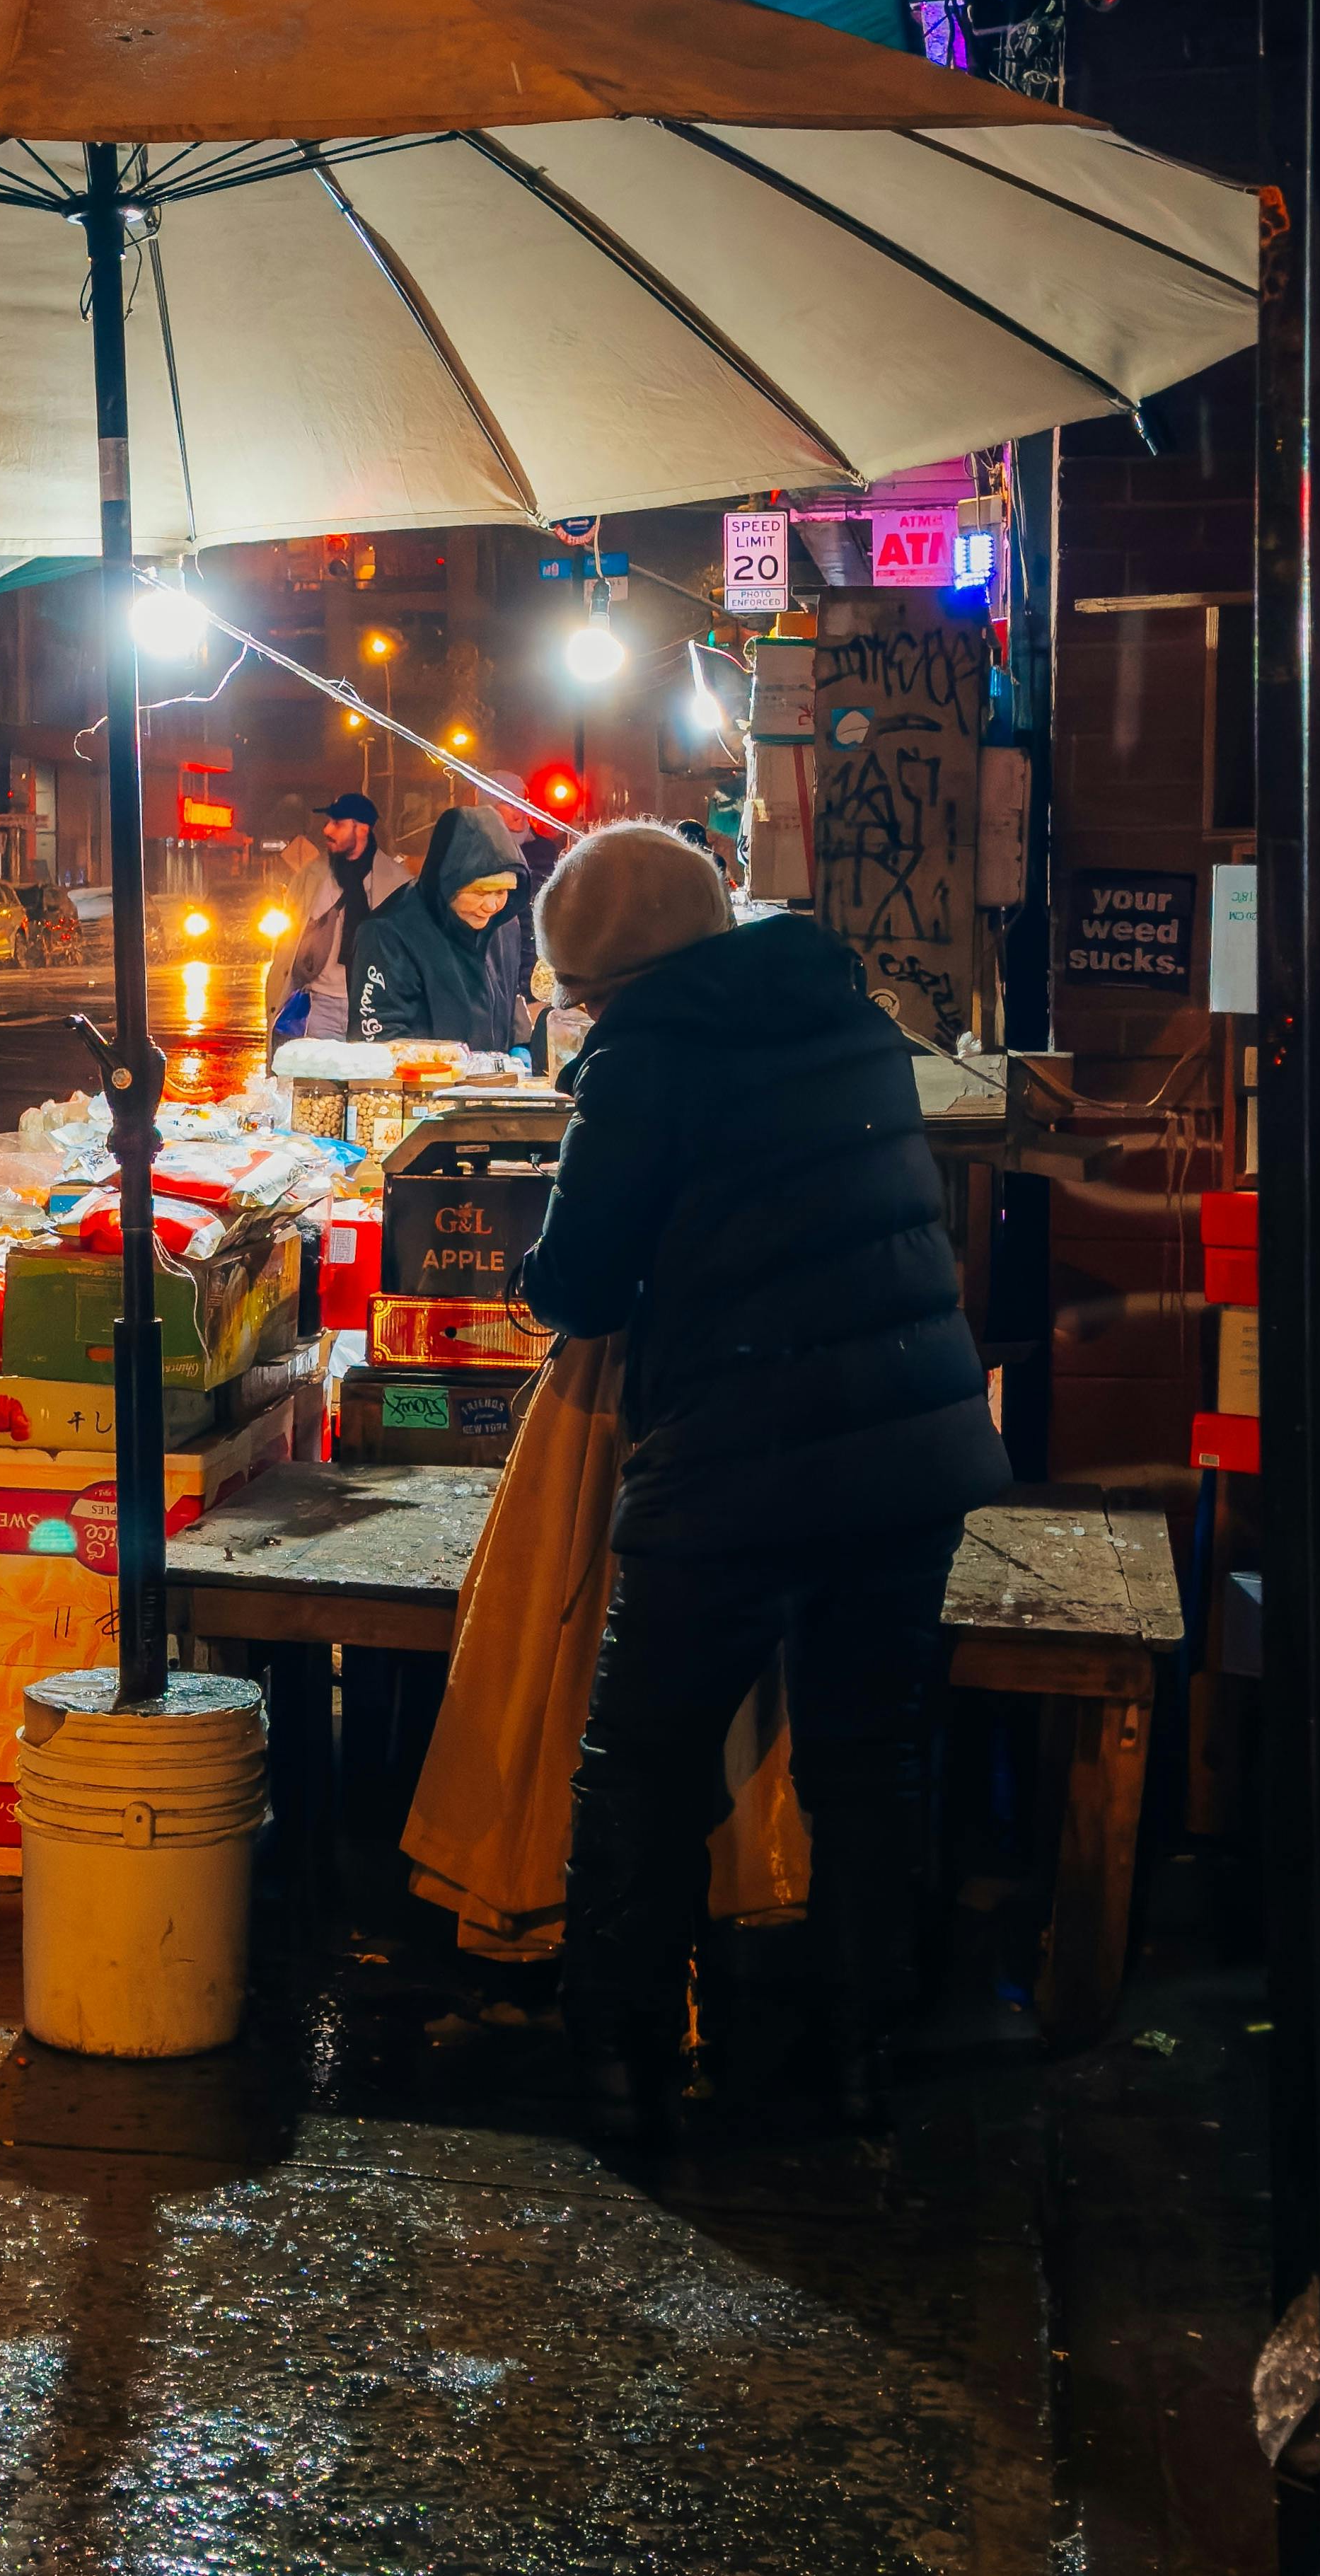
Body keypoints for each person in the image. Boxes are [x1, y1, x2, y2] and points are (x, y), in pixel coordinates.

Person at [519, 821, 1010, 2142]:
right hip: (912, 1452)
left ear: (605, 981)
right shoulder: (846, 1017)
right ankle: (861, 2057)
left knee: (642, 1766)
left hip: (734, 1458)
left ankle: (616, 2063)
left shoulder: (644, 1054)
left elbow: (574, 1285)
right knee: (867, 1766)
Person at [349, 802, 527, 1049]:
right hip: (422, 1084)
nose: (491, 905)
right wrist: (445, 1068)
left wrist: (520, 1043)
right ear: (449, 882)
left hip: (493, 1083)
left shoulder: (504, 926)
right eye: (478, 892)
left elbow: (510, 999)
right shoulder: (387, 932)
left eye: (502, 891)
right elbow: (379, 1034)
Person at [271, 791, 407, 1046]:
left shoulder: (399, 882)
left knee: (367, 1083)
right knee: (316, 1083)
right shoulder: (311, 878)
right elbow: (288, 945)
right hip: (319, 1006)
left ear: (363, 829)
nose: (328, 830)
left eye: (338, 824)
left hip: (375, 1009)